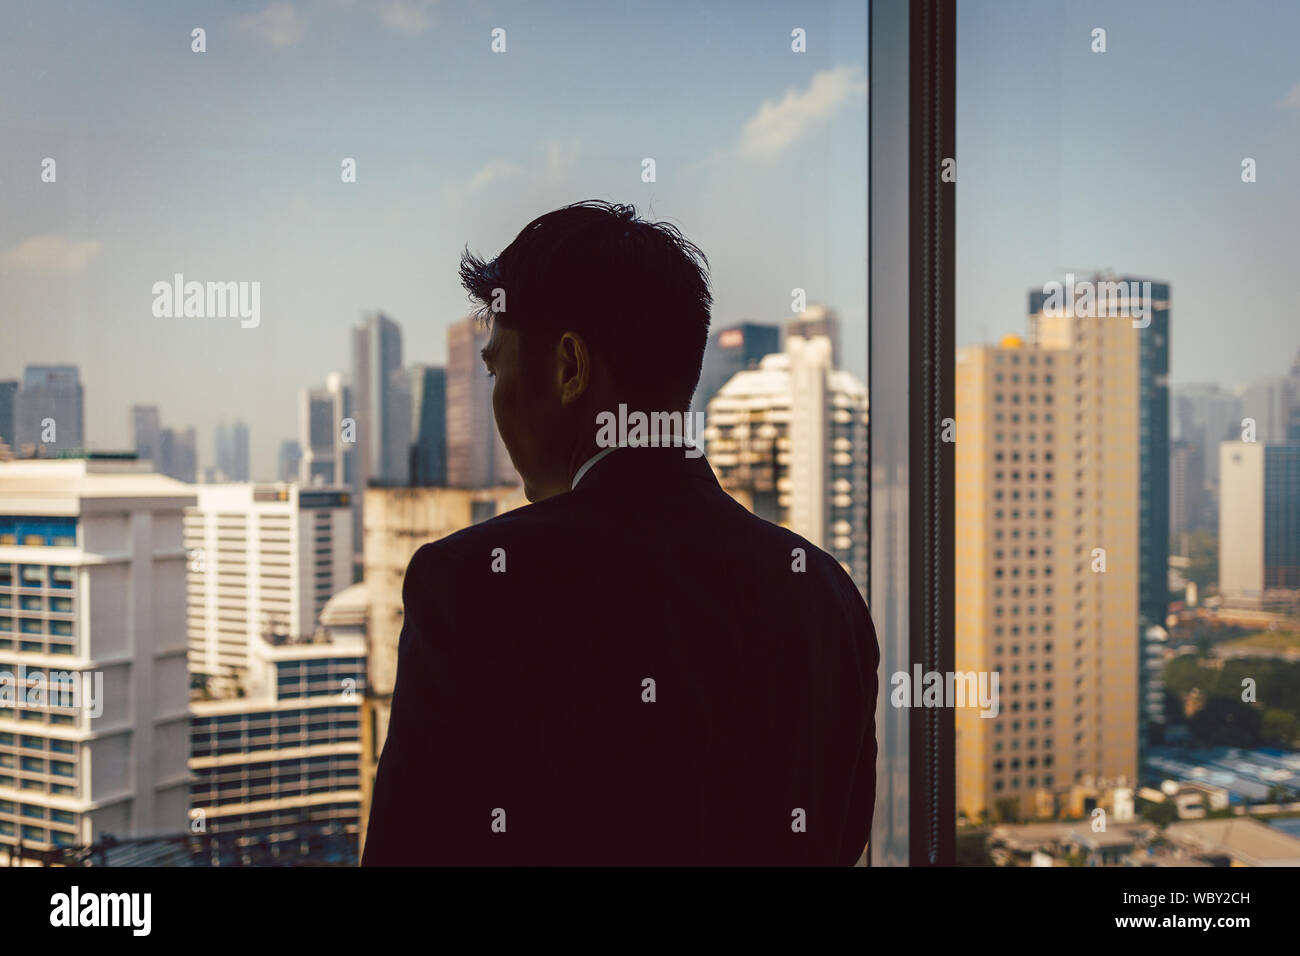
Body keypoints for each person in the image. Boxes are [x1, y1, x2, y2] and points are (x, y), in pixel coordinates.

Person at [361, 200, 878, 865]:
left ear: (569, 367)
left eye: (497, 368)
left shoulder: (474, 586)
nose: (494, 396)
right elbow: (843, 839)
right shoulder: (826, 596)